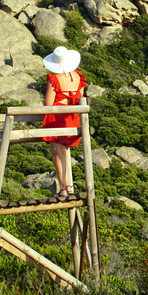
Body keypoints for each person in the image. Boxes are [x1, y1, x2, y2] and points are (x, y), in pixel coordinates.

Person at [42, 46, 86, 199]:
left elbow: (48, 104)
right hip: (72, 117)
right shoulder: (78, 77)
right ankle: (69, 187)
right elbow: (79, 98)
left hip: (56, 118)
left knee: (57, 153)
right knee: (64, 152)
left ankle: (63, 188)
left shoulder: (54, 79)